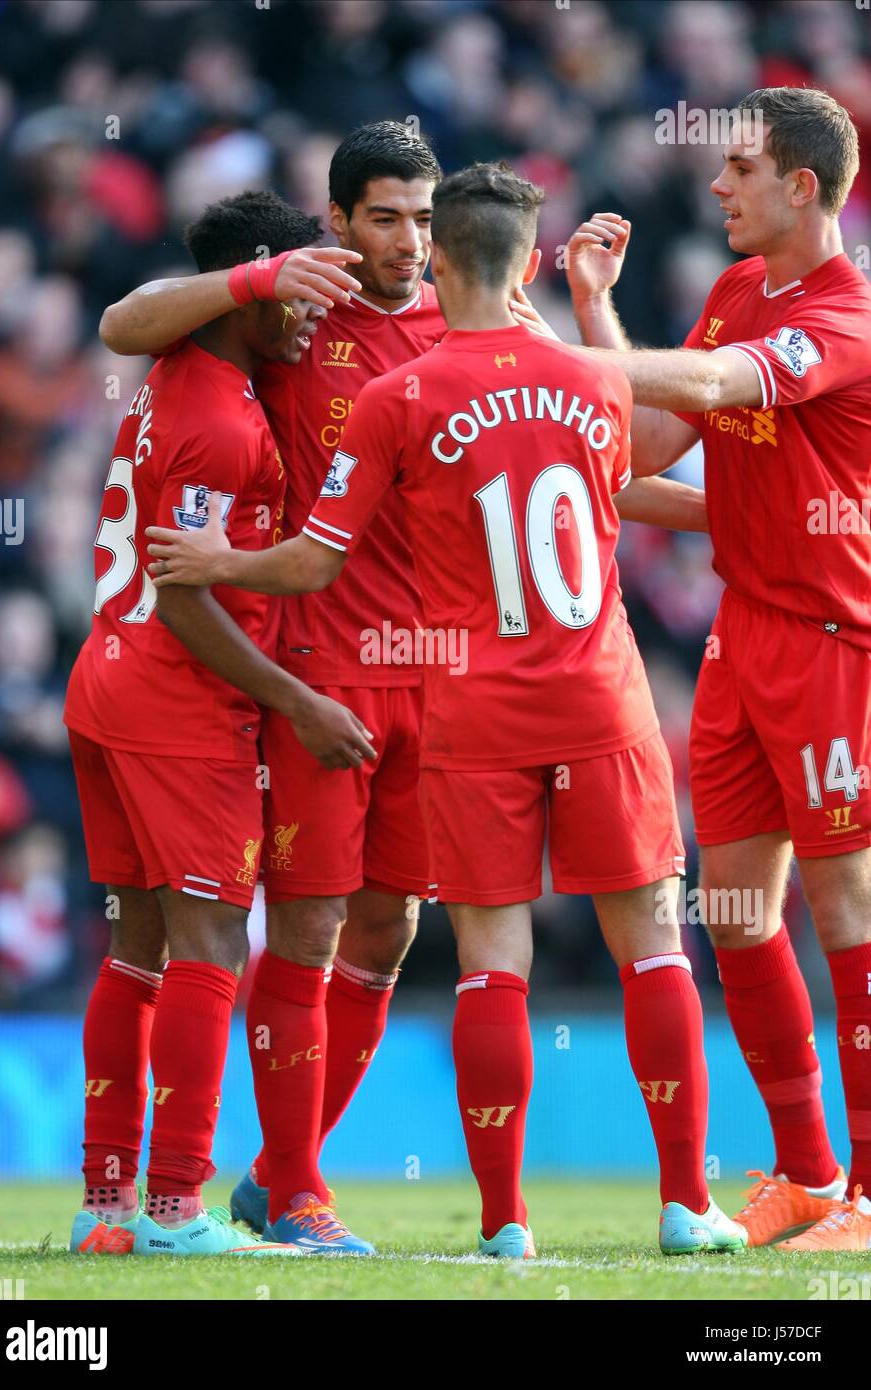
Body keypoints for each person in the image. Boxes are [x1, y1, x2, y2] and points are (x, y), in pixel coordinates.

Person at [144, 162, 742, 1259]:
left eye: (422, 222)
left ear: (446, 243)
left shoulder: (413, 385)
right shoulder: (305, 314)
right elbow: (128, 322)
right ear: (338, 222)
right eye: (384, 218)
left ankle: (474, 1216)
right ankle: (301, 1185)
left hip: (457, 694)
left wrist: (216, 561)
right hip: (396, 676)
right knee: (340, 929)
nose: (405, 240)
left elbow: (319, 551)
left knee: (432, 941)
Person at [566, 85, 871, 1251]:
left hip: (836, 640)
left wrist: (541, 355)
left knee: (846, 910)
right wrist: (594, 313)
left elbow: (706, 386)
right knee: (738, 911)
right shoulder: (740, 290)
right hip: (744, 634)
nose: (717, 183)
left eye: (740, 168)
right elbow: (645, 442)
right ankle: (809, 1173)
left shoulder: (847, 316)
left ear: (803, 184)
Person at [65, 189, 373, 1258]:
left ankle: (106, 1205)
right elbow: (186, 597)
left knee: (135, 952)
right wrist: (299, 700)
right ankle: (175, 1206)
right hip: (176, 701)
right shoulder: (222, 426)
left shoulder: (176, 369)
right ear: (252, 284)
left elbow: (140, 310)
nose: (312, 317)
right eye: (301, 290)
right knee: (207, 948)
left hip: (106, 679)